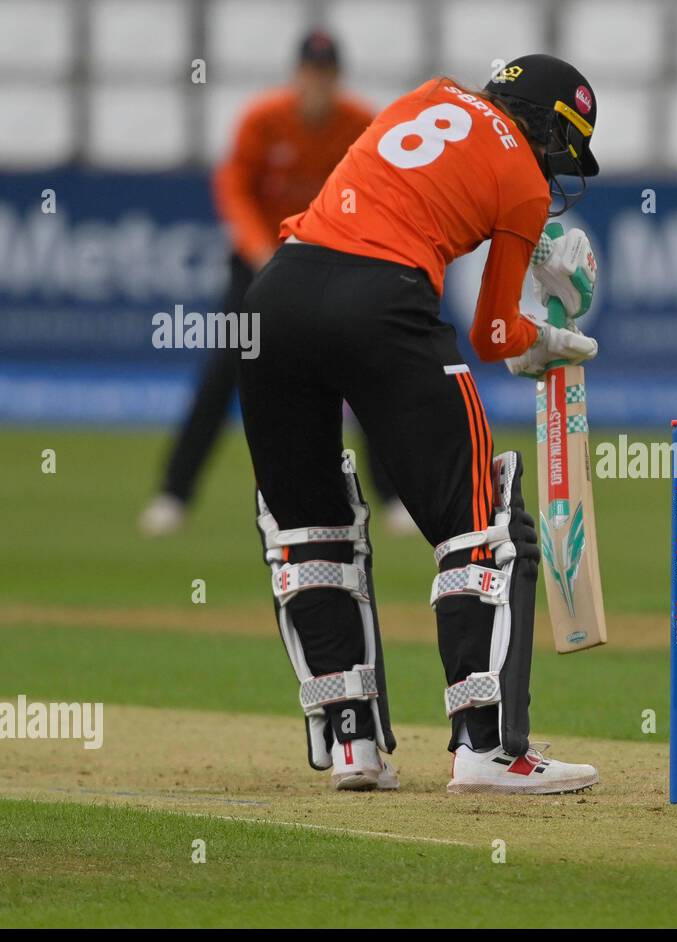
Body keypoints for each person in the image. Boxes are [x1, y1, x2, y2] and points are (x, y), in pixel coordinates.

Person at [237, 54, 603, 794]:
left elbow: (416, 188)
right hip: (381, 301)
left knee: (308, 529)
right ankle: (485, 749)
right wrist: (544, 338)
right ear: (543, 123)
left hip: (277, 295)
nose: (557, 168)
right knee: (478, 522)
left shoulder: (428, 95)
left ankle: (352, 743)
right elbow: (495, 332)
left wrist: (525, 256)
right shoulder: (525, 180)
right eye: (561, 147)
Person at [139, 30, 414, 536]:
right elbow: (233, 188)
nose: (318, 83)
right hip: (260, 268)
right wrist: (261, 250)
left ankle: (394, 496)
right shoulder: (263, 120)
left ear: (337, 77)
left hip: (329, 265)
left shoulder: (359, 123)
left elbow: (377, 192)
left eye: (326, 74)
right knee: (224, 372)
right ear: (297, 75)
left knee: (364, 367)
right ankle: (174, 494)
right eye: (311, 73)